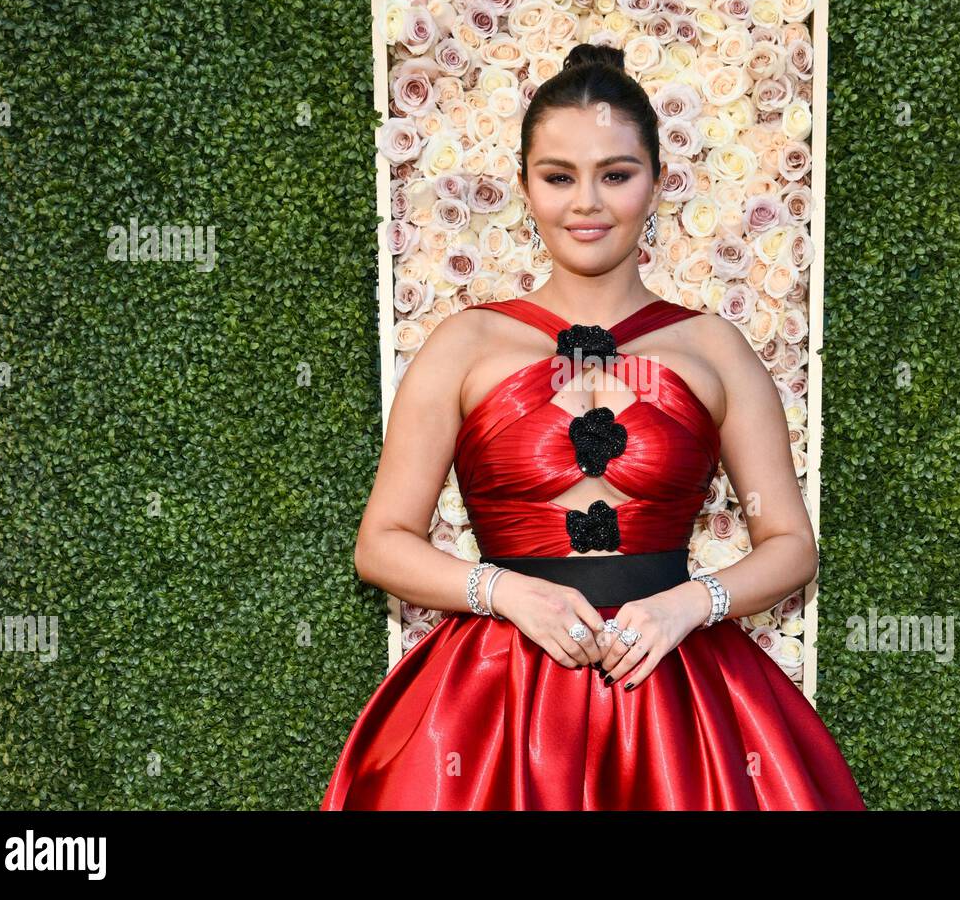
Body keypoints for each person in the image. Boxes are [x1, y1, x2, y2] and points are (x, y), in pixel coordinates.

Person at [321, 43, 865, 810]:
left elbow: (790, 546)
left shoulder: (713, 348)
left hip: (681, 695)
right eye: (558, 177)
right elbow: (381, 543)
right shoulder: (464, 343)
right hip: (492, 701)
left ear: (657, 184)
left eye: (615, 174)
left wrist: (689, 603)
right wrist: (504, 591)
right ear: (524, 187)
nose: (587, 203)